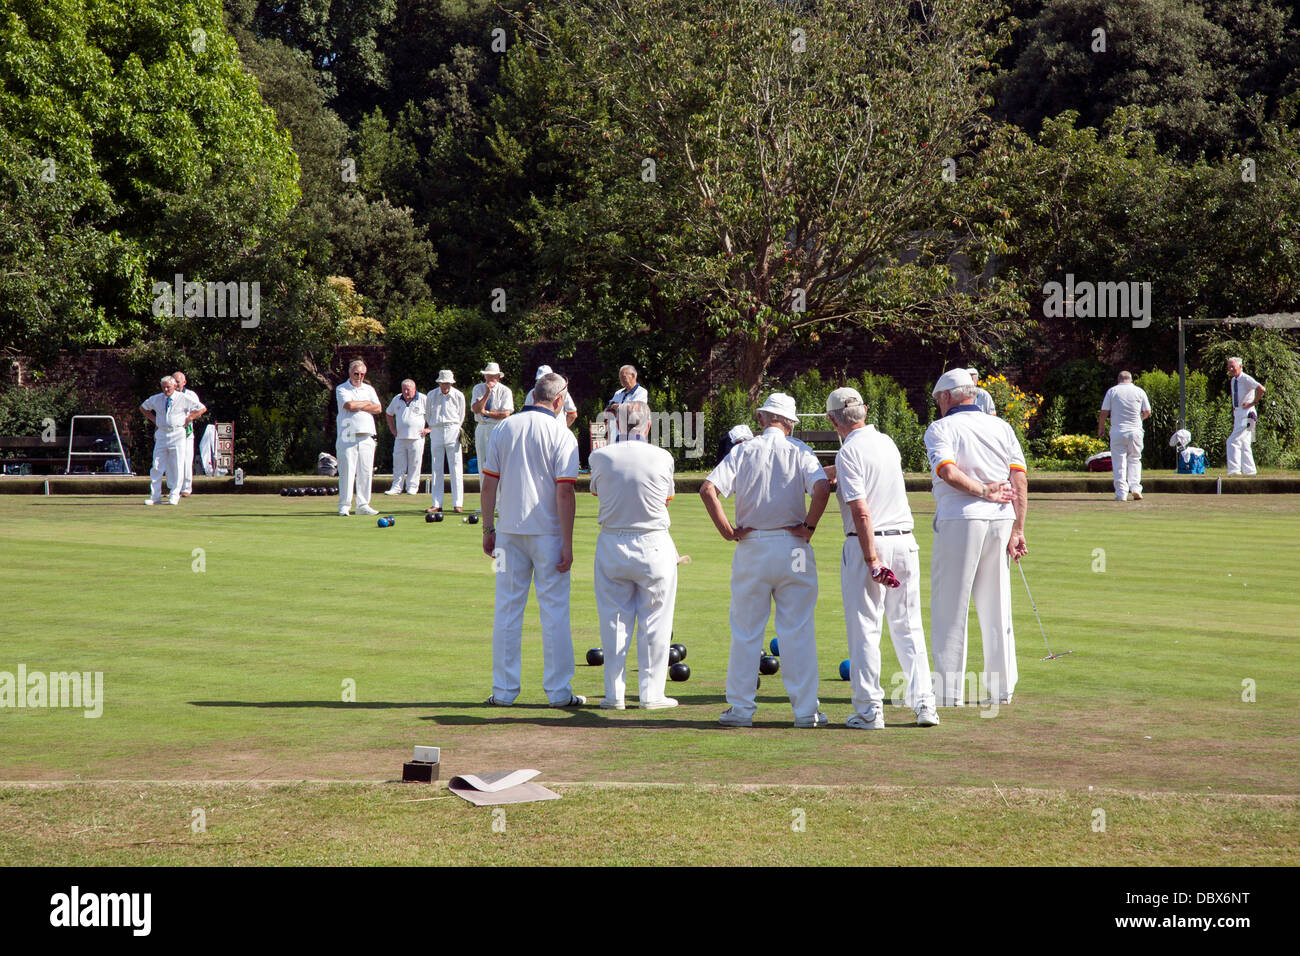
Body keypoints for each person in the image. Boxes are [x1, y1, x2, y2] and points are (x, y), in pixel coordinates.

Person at [699, 392, 831, 728]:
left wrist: (728, 530)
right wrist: (809, 527)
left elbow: (708, 489)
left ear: (762, 419)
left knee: (746, 631)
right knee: (798, 630)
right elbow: (821, 488)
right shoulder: (801, 451)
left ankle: (741, 710)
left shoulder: (743, 451)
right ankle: (806, 712)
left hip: (752, 547)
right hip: (795, 548)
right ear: (789, 423)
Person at [825, 386, 939, 729]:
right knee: (908, 628)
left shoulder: (848, 454)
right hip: (905, 542)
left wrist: (872, 559)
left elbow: (861, 511)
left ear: (832, 421)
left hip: (868, 546)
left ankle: (869, 710)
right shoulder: (886, 442)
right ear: (865, 410)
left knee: (865, 629)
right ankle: (925, 706)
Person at [479, 372, 585, 708]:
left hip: (508, 534)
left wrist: (487, 529)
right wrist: (568, 544)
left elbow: (488, 485)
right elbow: (565, 492)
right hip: (548, 535)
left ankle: (504, 692)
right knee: (554, 612)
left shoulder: (504, 428)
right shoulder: (562, 434)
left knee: (507, 610)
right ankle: (558, 693)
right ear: (558, 401)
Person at [924, 368, 1024, 707]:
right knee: (997, 604)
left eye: (938, 398)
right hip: (1001, 520)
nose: (937, 404)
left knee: (950, 604)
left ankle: (949, 692)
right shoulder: (1002, 426)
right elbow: (1018, 480)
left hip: (960, 518)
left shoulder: (941, 428)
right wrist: (1018, 528)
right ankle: (1001, 689)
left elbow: (948, 471)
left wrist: (981, 491)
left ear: (948, 397)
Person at [587, 401, 679, 710]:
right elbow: (666, 499)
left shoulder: (599, 456)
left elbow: (597, 493)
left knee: (613, 622)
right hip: (654, 543)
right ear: (648, 425)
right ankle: (652, 695)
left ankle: (614, 696)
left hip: (613, 542)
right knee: (656, 621)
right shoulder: (663, 456)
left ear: (617, 425)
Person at [140, 375, 205, 506]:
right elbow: (143, 407)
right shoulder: (157, 398)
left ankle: (174, 495)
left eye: (168, 387)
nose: (165, 389)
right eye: (163, 387)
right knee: (157, 466)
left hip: (178, 433)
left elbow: (202, 408)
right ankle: (155, 496)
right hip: (162, 434)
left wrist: (190, 417)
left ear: (174, 386)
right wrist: (154, 420)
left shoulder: (183, 398)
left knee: (177, 465)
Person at [336, 359, 382, 517]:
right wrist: (366, 404)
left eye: (362, 374)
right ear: (350, 373)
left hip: (367, 435)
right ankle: (344, 505)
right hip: (347, 436)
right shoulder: (342, 388)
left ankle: (363, 504)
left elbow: (378, 408)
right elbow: (349, 405)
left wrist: (360, 404)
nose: (359, 377)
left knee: (366, 472)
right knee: (347, 471)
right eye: (356, 373)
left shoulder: (369, 389)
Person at [1097, 371, 1152, 501]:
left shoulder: (1112, 391)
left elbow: (1104, 411)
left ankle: (1121, 493)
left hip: (1118, 431)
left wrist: (1101, 428)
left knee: (1119, 462)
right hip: (1135, 431)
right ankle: (1136, 488)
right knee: (1135, 459)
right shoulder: (1139, 391)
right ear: (1131, 379)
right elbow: (1147, 411)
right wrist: (1139, 420)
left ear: (1118, 379)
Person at [426, 370, 466, 513]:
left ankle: (457, 503)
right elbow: (428, 415)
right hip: (436, 430)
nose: (446, 386)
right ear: (439, 383)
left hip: (452, 429)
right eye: (443, 383)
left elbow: (461, 415)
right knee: (436, 468)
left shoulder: (458, 395)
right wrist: (434, 426)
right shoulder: (431, 395)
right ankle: (436, 503)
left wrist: (455, 427)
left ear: (451, 383)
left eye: (448, 383)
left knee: (456, 467)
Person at [384, 379, 427, 496]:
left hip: (417, 438)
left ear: (414, 389)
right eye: (404, 389)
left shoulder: (423, 399)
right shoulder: (397, 399)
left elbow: (433, 415)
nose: (406, 392)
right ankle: (396, 487)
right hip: (400, 438)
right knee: (398, 464)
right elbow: (388, 414)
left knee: (415, 464)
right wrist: (393, 429)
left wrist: (429, 429)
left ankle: (412, 487)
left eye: (408, 389)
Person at [1226, 357, 1265, 476]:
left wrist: (1253, 402)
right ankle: (1250, 471)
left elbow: (1261, 389)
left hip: (1248, 413)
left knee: (1232, 441)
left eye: (1233, 366)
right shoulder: (1233, 380)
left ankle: (1234, 471)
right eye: (1229, 366)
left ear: (1240, 366)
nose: (1230, 369)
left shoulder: (1246, 378)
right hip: (1239, 413)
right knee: (1244, 443)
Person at [470, 362, 513, 466]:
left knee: (499, 462)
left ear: (498, 377)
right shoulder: (478, 388)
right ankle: (482, 483)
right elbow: (476, 409)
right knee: (481, 462)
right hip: (482, 427)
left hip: (498, 428)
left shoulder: (505, 391)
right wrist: (487, 393)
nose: (489, 379)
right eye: (487, 376)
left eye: (492, 376)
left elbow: (506, 414)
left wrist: (486, 412)